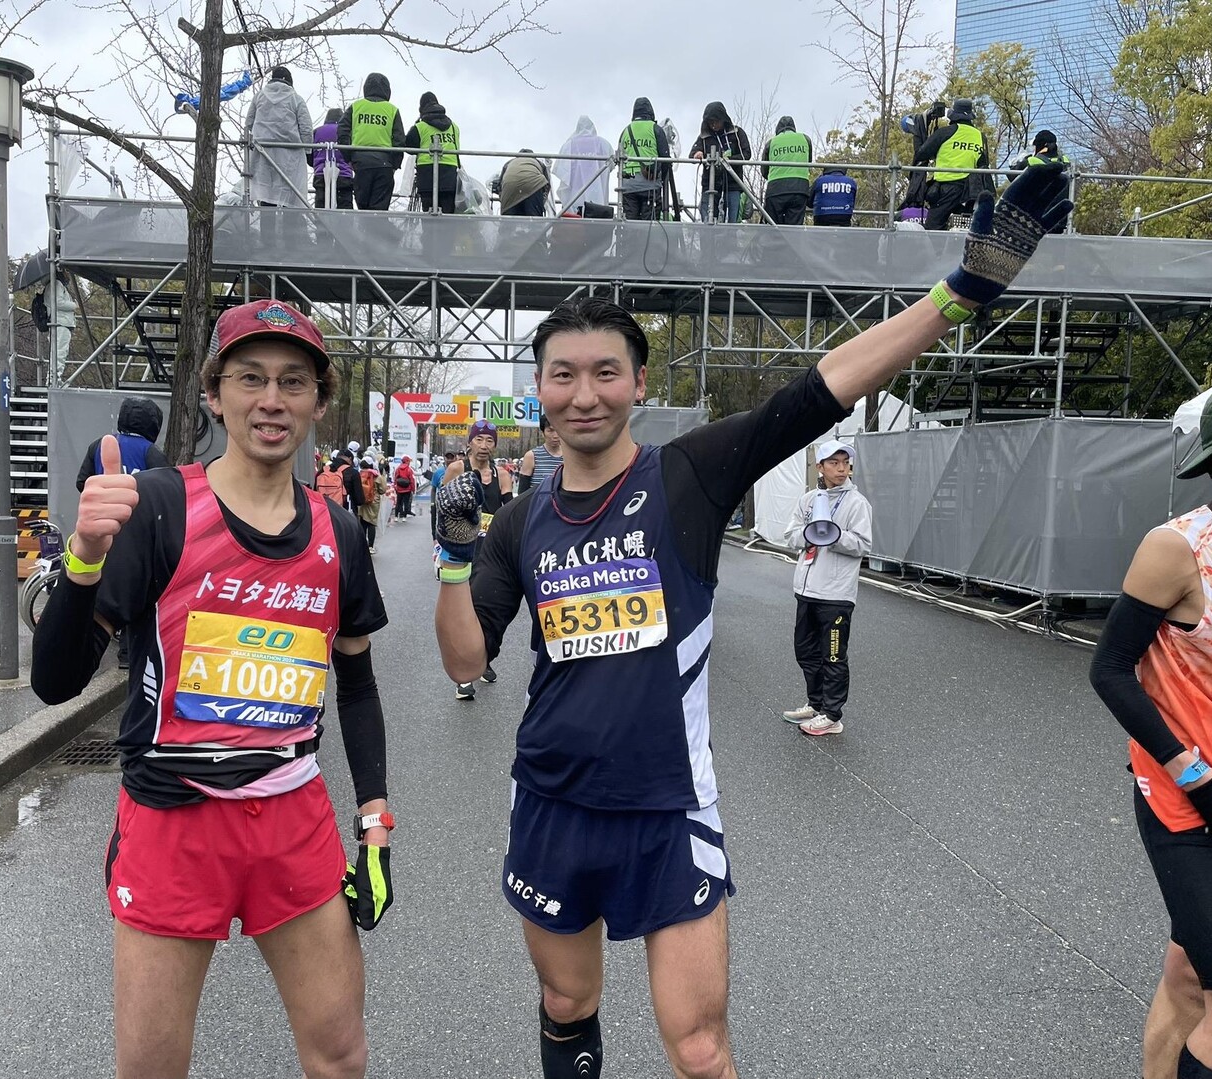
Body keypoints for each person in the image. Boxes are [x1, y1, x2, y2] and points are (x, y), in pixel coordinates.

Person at [432, 165, 1071, 1079]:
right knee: (567, 1003)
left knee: (699, 1048)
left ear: (636, 382)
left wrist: (958, 294)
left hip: (668, 808)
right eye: (563, 375)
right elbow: (466, 660)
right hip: (550, 802)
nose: (584, 393)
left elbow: (820, 389)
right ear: (539, 388)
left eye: (605, 372)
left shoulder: (687, 474)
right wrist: (454, 556)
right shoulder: (520, 522)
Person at [30, 298, 393, 1079]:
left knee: (341, 1058)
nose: (271, 399)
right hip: (173, 819)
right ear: (214, 394)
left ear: (318, 401)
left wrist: (374, 820)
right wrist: (85, 554)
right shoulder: (162, 507)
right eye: (250, 378)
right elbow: (55, 682)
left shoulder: (339, 532)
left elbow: (358, 688)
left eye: (293, 381)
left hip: (292, 819)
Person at [1089, 368, 1212, 1079]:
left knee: (1192, 978)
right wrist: (1197, 777)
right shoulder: (1179, 547)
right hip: (1189, 799)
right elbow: (1110, 669)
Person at [779, 440, 872, 736]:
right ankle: (816, 703)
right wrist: (810, 535)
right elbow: (790, 535)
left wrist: (833, 536)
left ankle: (832, 715)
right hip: (806, 590)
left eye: (845, 463)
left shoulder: (856, 503)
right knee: (805, 652)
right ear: (820, 467)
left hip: (836, 595)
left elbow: (863, 544)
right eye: (834, 463)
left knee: (833, 655)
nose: (841, 469)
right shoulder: (808, 500)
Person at [441, 419, 511, 701]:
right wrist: (439, 542)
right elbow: (443, 506)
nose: (484, 445)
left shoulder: (502, 474)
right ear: (469, 442)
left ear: (495, 445)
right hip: (464, 549)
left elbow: (508, 511)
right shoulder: (457, 469)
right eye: (479, 439)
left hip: (492, 551)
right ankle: (463, 679)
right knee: (463, 611)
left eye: (489, 440)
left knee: (491, 609)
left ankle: (484, 658)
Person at [913, 99, 990, 231]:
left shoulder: (945, 133)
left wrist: (917, 132)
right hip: (970, 191)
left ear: (953, 115)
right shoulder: (980, 136)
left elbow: (920, 155)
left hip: (946, 188)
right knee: (964, 228)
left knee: (933, 228)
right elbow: (983, 164)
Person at [244, 66, 314, 208]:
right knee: (290, 195)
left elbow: (248, 123)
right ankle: (289, 223)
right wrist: (307, 151)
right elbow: (306, 129)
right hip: (290, 154)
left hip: (262, 153)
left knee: (266, 194)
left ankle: (266, 223)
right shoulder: (296, 99)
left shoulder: (259, 96)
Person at [338, 73, 404, 211]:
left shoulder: (356, 107)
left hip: (361, 162)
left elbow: (342, 132)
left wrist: (348, 158)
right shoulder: (392, 110)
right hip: (384, 163)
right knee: (379, 210)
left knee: (363, 209)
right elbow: (399, 140)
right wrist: (395, 165)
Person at [75, 396, 170, 491]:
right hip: (136, 500)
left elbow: (82, 482)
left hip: (102, 498)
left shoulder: (100, 444)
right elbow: (165, 488)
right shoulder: (151, 451)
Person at [689, 102, 751, 224]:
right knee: (707, 219)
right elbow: (692, 155)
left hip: (733, 183)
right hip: (710, 184)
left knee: (732, 221)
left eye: (716, 121)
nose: (713, 125)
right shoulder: (704, 137)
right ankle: (709, 237)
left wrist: (728, 161)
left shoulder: (737, 133)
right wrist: (698, 154)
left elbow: (747, 154)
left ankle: (731, 237)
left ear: (723, 119)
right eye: (710, 122)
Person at [405, 91, 460, 214]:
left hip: (426, 175)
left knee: (428, 216)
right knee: (448, 215)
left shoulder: (420, 127)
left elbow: (408, 146)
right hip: (450, 175)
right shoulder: (454, 127)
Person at [617, 98, 671, 222]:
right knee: (649, 226)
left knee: (630, 224)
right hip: (650, 185)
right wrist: (661, 179)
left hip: (628, 185)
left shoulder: (625, 131)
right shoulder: (655, 129)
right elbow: (665, 159)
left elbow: (620, 158)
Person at [1010, 130, 1071, 234]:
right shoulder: (1065, 161)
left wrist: (1017, 162)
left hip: (1035, 221)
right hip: (1060, 220)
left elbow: (1011, 176)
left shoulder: (1032, 161)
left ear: (1041, 146)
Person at [554, 116, 613, 215]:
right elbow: (611, 165)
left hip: (574, 198)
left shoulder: (569, 145)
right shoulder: (604, 144)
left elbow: (562, 170)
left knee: (575, 223)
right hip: (597, 197)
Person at [761, 116, 812, 226]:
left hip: (776, 189)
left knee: (774, 227)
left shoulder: (771, 142)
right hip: (800, 188)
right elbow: (809, 162)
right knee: (794, 228)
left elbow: (764, 171)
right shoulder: (805, 139)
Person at [310, 107, 355, 209]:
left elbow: (309, 154)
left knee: (321, 210)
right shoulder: (347, 133)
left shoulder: (316, 132)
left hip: (321, 175)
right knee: (345, 212)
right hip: (344, 176)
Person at [517, 414, 563, 494]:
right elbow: (522, 492)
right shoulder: (532, 456)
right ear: (543, 433)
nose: (555, 436)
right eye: (550, 431)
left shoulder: (570, 456)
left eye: (558, 430)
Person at [500, 151, 551, 217]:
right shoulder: (538, 162)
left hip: (510, 185)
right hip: (534, 184)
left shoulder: (509, 162)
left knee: (509, 219)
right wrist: (541, 201)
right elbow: (546, 183)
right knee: (534, 219)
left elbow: (500, 185)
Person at [356, 456, 383, 552]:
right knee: (371, 523)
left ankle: (362, 545)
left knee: (363, 522)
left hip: (362, 501)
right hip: (373, 502)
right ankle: (371, 547)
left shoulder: (359, 474)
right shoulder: (376, 475)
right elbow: (383, 490)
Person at [431, 450, 457, 541]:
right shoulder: (438, 472)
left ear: (455, 458)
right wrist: (432, 503)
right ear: (444, 458)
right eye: (447, 458)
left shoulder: (459, 471)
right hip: (441, 504)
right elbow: (433, 488)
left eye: (451, 458)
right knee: (441, 525)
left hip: (455, 504)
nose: (449, 460)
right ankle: (439, 540)